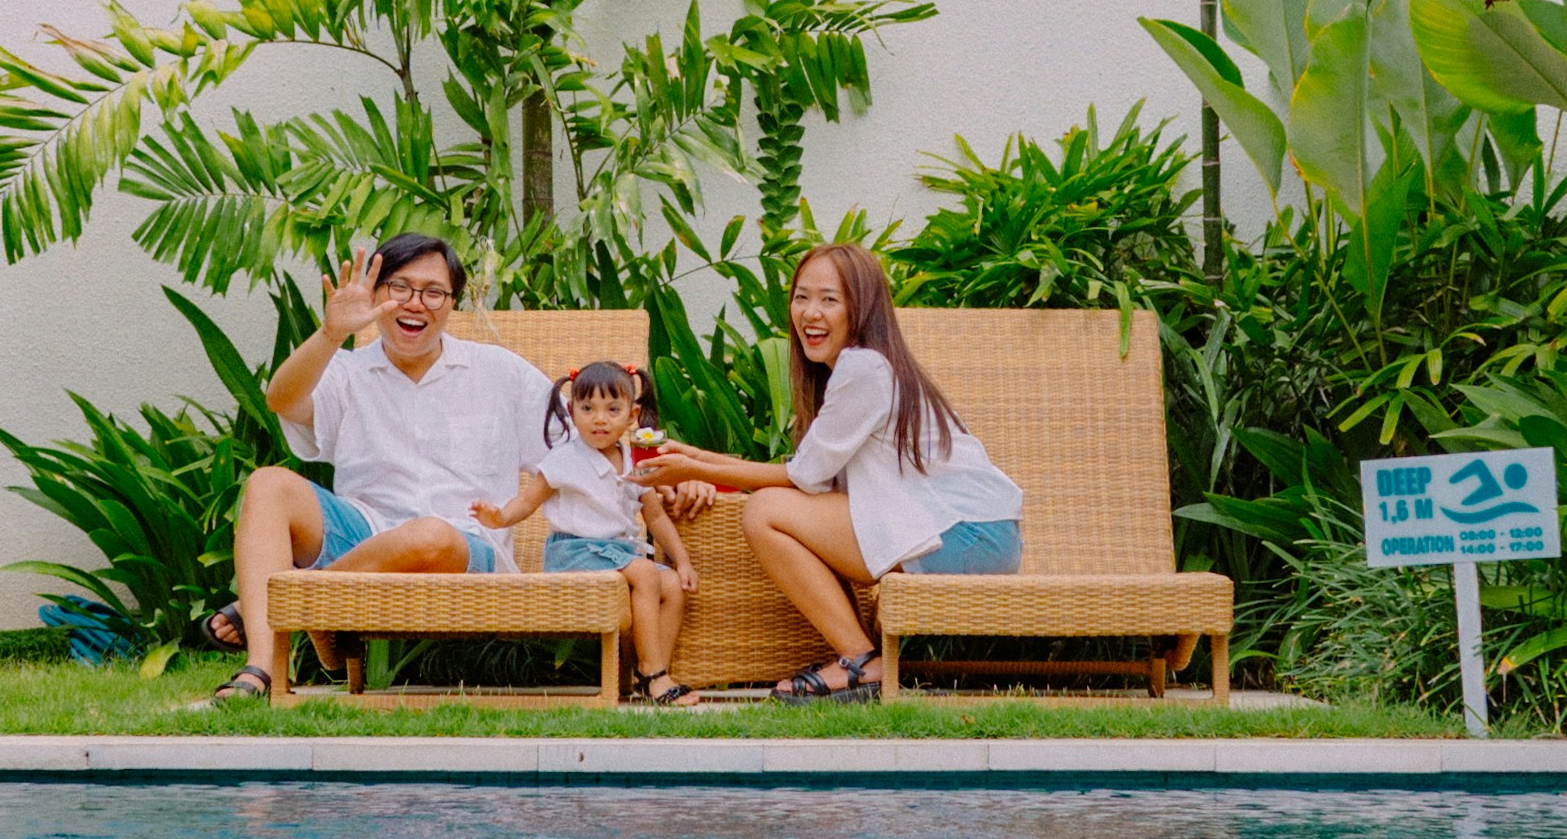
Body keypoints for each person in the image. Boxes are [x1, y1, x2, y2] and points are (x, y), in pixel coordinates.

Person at [636, 242, 1021, 700]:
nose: (810, 313)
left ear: (861, 308)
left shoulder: (863, 368)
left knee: (765, 513)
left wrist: (692, 465)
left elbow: (800, 479)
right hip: (972, 532)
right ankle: (860, 658)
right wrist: (691, 458)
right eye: (801, 297)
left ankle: (861, 661)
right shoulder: (862, 367)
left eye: (829, 300)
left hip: (967, 535)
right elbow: (808, 475)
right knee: (786, 508)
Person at [210, 238, 552, 700]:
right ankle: (260, 670)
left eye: (433, 292)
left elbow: (580, 448)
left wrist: (663, 483)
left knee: (429, 535)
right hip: (363, 534)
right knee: (268, 483)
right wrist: (331, 335)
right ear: (375, 297)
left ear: (452, 303)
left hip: (462, 547)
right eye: (400, 288)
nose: (416, 304)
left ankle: (304, 601)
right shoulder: (347, 370)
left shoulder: (500, 372)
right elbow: (281, 401)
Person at [475, 360, 712, 708]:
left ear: (631, 415)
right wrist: (500, 517)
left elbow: (657, 516)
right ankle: (654, 674)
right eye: (588, 409)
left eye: (612, 409)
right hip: (574, 551)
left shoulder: (635, 459)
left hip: (618, 553)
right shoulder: (564, 459)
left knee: (672, 585)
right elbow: (527, 501)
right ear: (572, 412)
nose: (599, 419)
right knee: (645, 573)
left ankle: (651, 672)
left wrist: (684, 561)